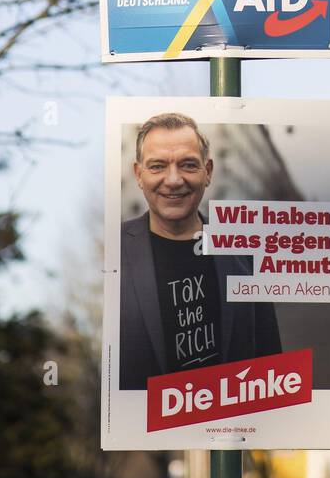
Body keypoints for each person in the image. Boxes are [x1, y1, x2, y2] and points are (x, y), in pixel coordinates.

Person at [119, 111, 281, 391]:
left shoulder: (245, 254)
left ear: (208, 172)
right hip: (143, 431)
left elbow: (271, 365)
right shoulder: (115, 249)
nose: (173, 180)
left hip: (230, 430)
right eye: (157, 166)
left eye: (188, 165)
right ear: (138, 174)